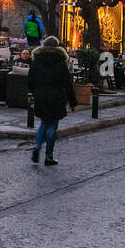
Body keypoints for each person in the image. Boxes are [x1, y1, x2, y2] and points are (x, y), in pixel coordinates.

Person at [28, 35, 75, 167]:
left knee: (44, 122)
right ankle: (49, 156)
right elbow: (67, 83)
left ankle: (37, 146)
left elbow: (30, 80)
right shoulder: (60, 62)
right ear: (57, 46)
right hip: (56, 95)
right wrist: (72, 102)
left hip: (40, 95)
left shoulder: (37, 60)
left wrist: (34, 92)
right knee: (52, 125)